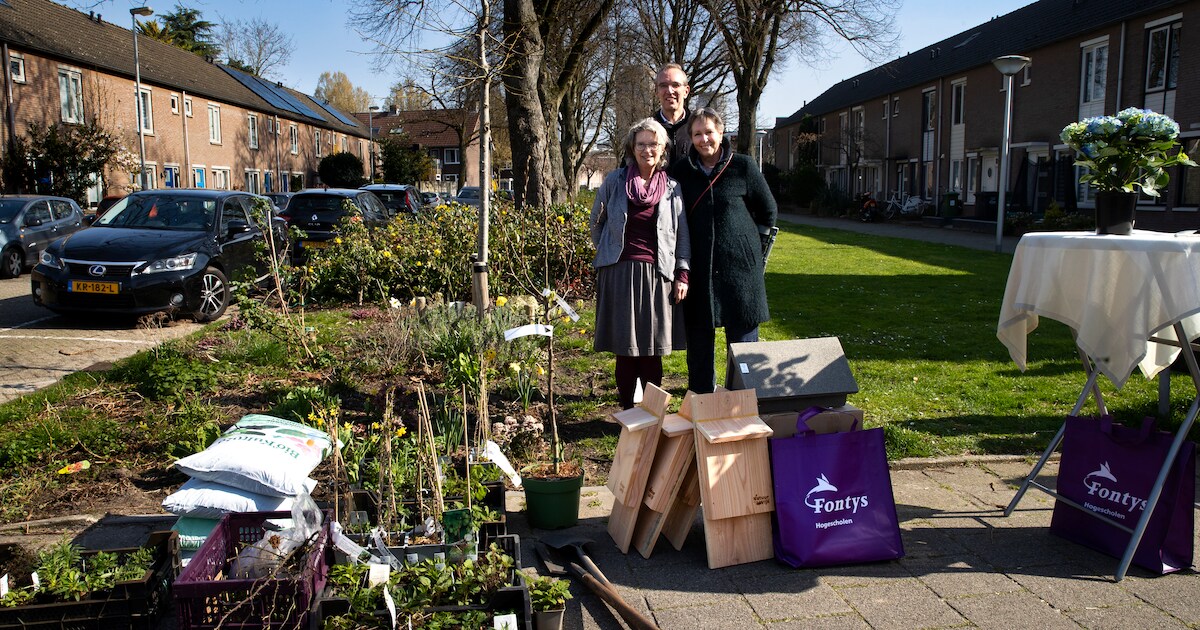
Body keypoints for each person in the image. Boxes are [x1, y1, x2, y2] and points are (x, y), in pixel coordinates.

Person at [669, 107, 777, 394]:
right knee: (699, 346)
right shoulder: (680, 172)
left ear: (721, 132)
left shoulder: (743, 166)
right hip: (699, 270)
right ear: (690, 137)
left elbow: (768, 210)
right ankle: (704, 404)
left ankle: (743, 403)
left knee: (743, 350)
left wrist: (752, 250)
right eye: (697, 134)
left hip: (740, 271)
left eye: (709, 132)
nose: (704, 139)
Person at [590, 118, 691, 409]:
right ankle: (627, 413)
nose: (648, 149)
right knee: (625, 349)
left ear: (663, 150)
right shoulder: (615, 181)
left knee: (651, 349)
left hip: (659, 276)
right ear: (632, 149)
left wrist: (682, 273)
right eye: (641, 144)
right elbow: (596, 222)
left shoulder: (672, 188)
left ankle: (652, 413)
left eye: (654, 143)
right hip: (619, 274)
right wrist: (610, 251)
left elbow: (682, 234)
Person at [653, 64, 694, 166]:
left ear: (686, 91)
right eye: (663, 85)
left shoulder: (699, 128)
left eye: (675, 85)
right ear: (656, 92)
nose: (669, 91)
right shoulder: (644, 131)